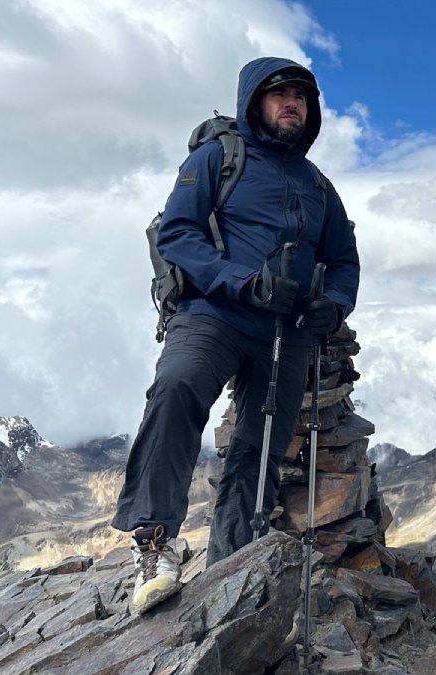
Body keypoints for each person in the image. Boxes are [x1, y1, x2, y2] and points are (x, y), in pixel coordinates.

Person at [111, 56, 359, 615]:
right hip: (213, 313)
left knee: (261, 445)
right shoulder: (218, 158)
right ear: (253, 103)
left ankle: (231, 566)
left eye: (301, 96)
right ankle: (154, 544)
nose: (292, 103)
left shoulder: (320, 187)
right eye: (279, 94)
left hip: (288, 331)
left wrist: (335, 305)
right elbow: (178, 234)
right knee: (177, 388)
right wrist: (243, 283)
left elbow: (344, 261)